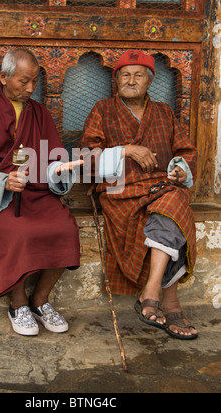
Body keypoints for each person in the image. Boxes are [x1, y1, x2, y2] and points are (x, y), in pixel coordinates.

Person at [0, 48, 82, 336]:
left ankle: (40, 300)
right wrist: (3, 182)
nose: (30, 89)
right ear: (3, 77)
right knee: (18, 233)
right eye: (23, 82)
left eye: (34, 82)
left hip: (35, 192)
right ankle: (18, 303)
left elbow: (52, 157)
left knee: (65, 228)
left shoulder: (39, 113)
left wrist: (59, 170)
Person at [80, 49, 198, 340]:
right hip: (120, 192)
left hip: (161, 187)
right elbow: (85, 159)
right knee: (170, 214)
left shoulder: (164, 112)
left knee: (172, 203)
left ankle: (150, 293)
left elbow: (185, 152)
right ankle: (170, 305)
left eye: (138, 75)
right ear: (116, 80)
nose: (131, 80)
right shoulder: (102, 109)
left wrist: (181, 171)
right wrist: (125, 150)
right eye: (125, 75)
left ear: (149, 81)